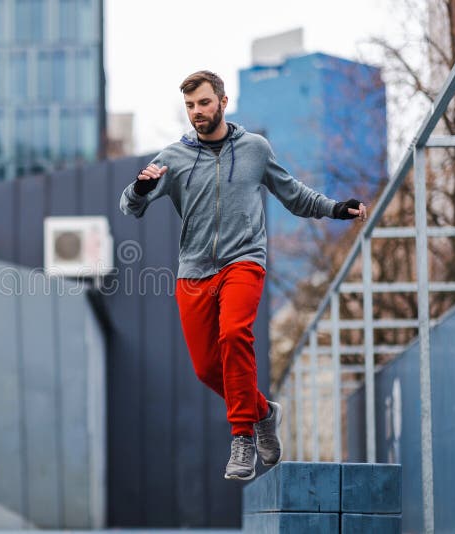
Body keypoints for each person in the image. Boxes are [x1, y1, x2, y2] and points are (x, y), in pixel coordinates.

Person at [119, 70, 367, 481]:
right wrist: (141, 189)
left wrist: (337, 208)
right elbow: (130, 207)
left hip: (243, 261)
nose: (197, 113)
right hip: (194, 272)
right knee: (205, 368)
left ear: (222, 101)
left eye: (203, 103)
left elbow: (294, 194)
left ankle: (243, 438)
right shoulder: (173, 158)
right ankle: (264, 413)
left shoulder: (254, 149)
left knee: (235, 334)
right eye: (190, 107)